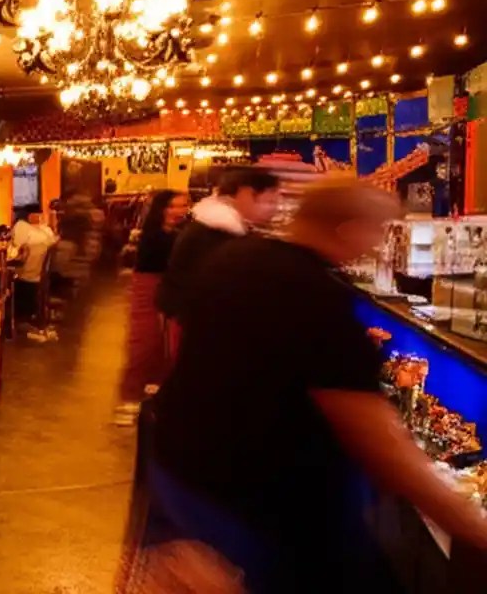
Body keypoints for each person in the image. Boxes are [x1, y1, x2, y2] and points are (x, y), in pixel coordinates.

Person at [149, 179, 487, 592]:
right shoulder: (315, 299)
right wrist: (470, 525)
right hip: (261, 505)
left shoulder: (237, 259)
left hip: (186, 470)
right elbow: (382, 445)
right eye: (378, 230)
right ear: (348, 229)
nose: (381, 245)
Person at [156, 167, 281, 324]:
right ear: (246, 194)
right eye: (270, 201)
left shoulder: (213, 223)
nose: (274, 210)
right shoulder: (220, 232)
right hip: (195, 322)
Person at [114, 190, 190, 426]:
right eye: (173, 207)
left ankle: (155, 390)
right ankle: (129, 398)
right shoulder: (156, 237)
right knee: (144, 342)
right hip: (148, 289)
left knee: (166, 343)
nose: (179, 211)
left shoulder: (177, 234)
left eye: (183, 206)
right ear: (161, 210)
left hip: (167, 289)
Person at [11, 203, 58, 334]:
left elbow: (16, 250)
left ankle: (14, 318)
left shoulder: (22, 228)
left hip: (27, 276)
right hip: (42, 276)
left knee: (6, 281)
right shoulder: (46, 231)